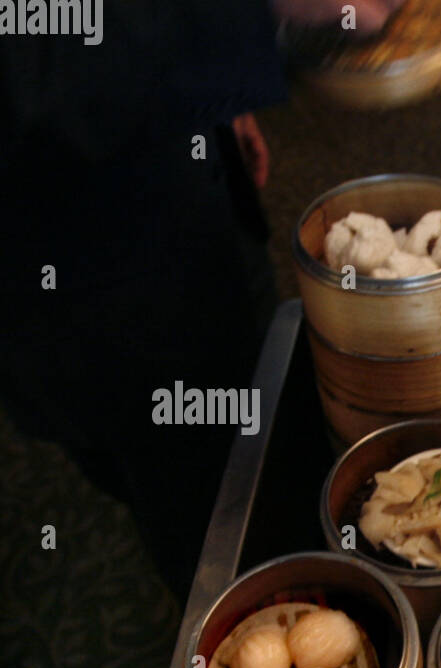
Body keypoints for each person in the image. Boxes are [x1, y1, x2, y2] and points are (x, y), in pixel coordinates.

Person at [0, 0, 402, 598]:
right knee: (217, 521)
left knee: (264, 438)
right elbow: (28, 56)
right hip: (93, 296)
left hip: (178, 189)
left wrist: (208, 98)